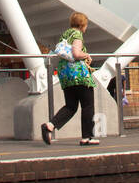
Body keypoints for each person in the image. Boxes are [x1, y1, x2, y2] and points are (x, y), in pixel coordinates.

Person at [41, 12, 98, 146]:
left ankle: (49, 126)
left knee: (71, 106)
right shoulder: (77, 34)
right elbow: (76, 53)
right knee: (88, 105)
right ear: (82, 24)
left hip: (66, 75)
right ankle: (87, 137)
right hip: (79, 75)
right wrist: (87, 55)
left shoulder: (65, 35)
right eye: (86, 25)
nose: (86, 28)